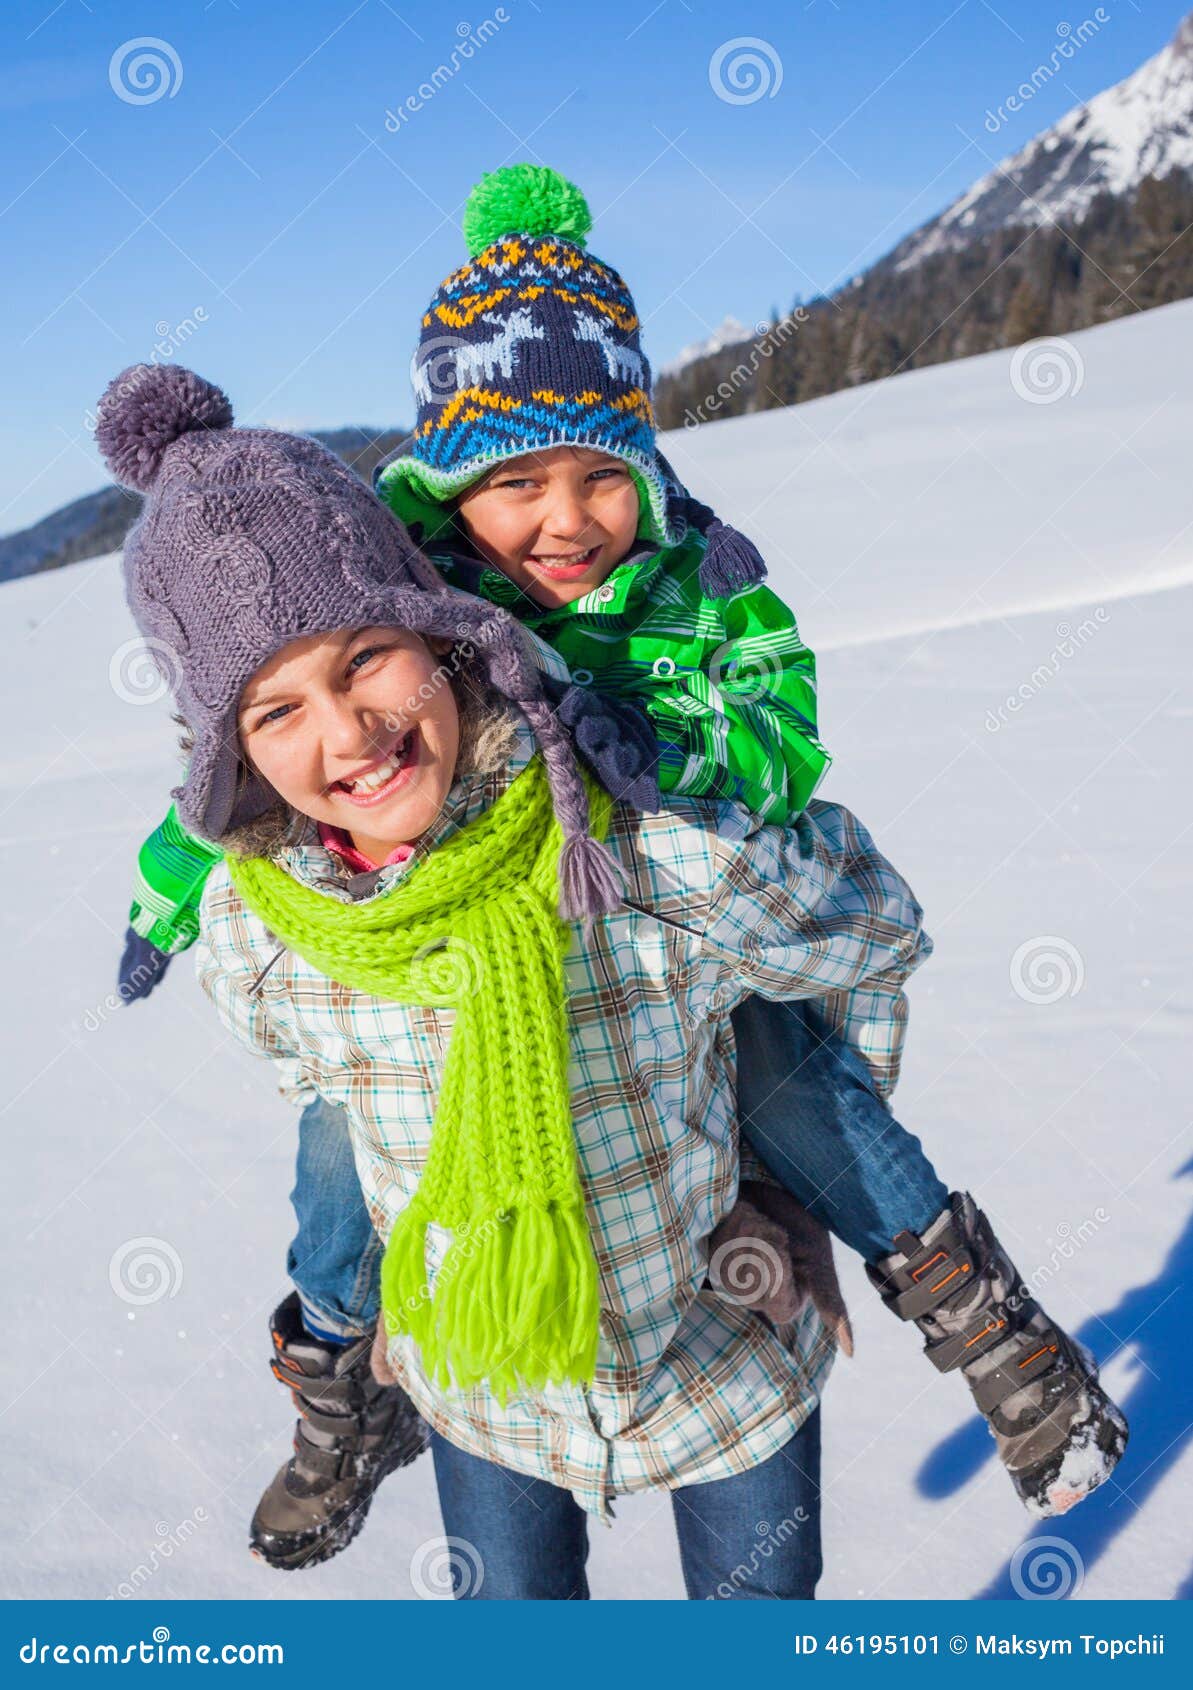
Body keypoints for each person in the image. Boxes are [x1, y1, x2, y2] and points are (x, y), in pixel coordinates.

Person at [109, 167, 1127, 1564]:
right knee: (336, 1135)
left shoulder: (695, 595)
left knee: (778, 1048)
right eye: (515, 482)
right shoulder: (373, 674)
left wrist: (666, 779)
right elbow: (232, 787)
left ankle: (962, 1293)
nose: (567, 520)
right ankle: (337, 1370)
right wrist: (164, 906)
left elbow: (811, 806)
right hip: (494, 1366)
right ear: (439, 519)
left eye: (602, 475)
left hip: (703, 1235)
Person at [97, 362, 927, 1598]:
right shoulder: (265, 941)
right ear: (232, 764)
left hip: (721, 1359)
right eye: (273, 713)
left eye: (368, 655)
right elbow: (334, 1114)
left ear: (448, 637)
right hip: (483, 1390)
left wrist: (784, 1166)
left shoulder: (638, 851)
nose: (346, 732)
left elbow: (865, 931)